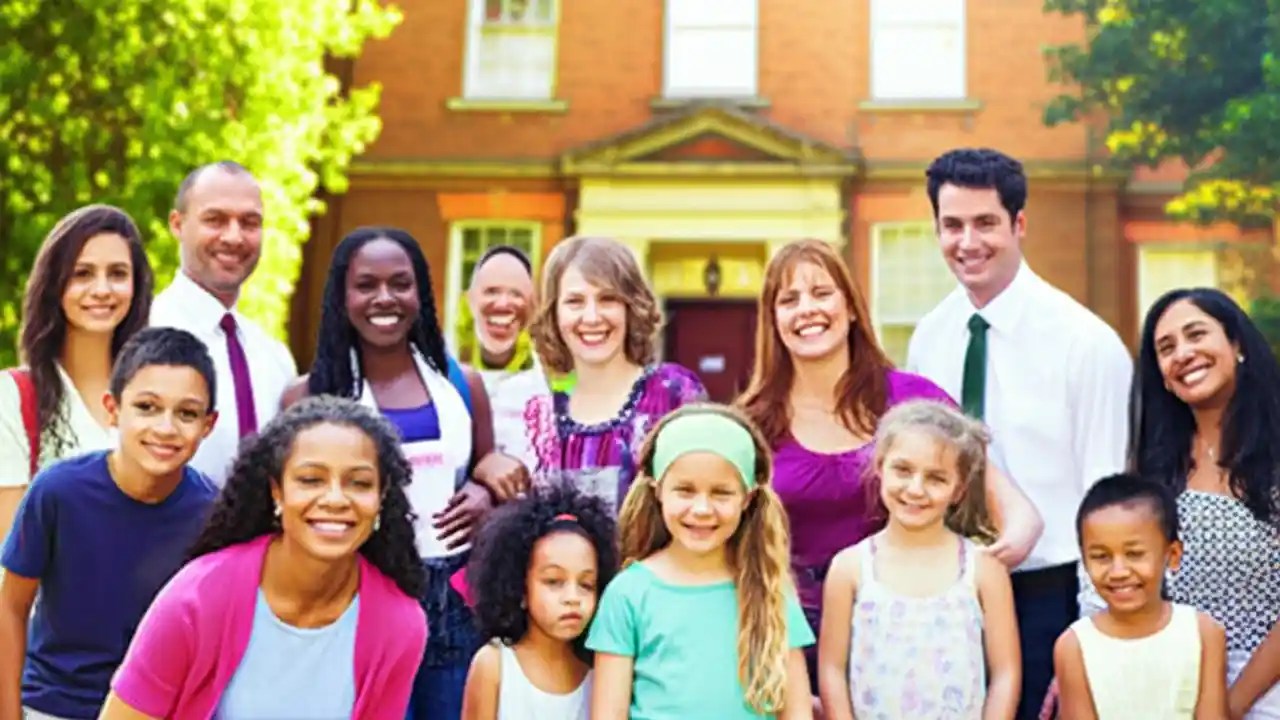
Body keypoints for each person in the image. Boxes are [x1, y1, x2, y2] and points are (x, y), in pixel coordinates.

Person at [737, 239, 1041, 698]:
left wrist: (997, 558)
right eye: (789, 299)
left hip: (904, 637)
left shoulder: (909, 399)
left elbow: (1010, 507)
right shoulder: (753, 422)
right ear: (773, 319)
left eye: (822, 292)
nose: (807, 309)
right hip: (790, 641)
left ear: (852, 307)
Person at [907, 148, 1133, 718]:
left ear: (1019, 224)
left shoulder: (1086, 344)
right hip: (948, 590)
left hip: (1049, 595)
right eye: (952, 225)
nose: (968, 242)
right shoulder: (928, 339)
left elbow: (1107, 496)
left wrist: (1090, 637)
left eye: (986, 223)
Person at [282, 226, 525, 720]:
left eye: (400, 283)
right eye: (366, 285)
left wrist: (483, 492)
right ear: (341, 296)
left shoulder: (463, 386)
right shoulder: (308, 397)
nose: (385, 298)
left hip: (454, 603)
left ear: (422, 293)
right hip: (357, 597)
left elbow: (484, 471)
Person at [100, 396, 428, 720]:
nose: (335, 499)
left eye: (359, 483)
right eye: (311, 479)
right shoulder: (198, 597)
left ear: (381, 497)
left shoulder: (399, 623)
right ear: (277, 491)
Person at [0, 327, 218, 720]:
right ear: (112, 409)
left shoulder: (213, 514)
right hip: (52, 705)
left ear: (208, 424)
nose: (165, 428)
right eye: (147, 407)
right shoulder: (58, 492)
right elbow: (10, 607)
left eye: (186, 413)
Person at [588, 404, 814, 719]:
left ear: (747, 499)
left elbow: (797, 710)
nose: (702, 509)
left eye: (721, 493)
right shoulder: (628, 593)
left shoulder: (771, 588)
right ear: (658, 492)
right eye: (685, 490)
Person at [1129, 288, 1280, 719]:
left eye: (1197, 335)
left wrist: (1228, 706)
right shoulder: (1154, 464)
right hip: (1172, 685)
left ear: (1236, 344)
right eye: (1166, 348)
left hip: (1263, 691)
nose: (1184, 353)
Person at [817, 400, 1020, 719]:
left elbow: (1006, 673)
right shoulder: (850, 568)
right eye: (903, 470)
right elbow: (831, 669)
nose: (916, 489)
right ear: (880, 467)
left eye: (936, 478)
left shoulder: (983, 569)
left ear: (959, 490)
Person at [0, 205, 154, 539]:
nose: (102, 289)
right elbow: (12, 548)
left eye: (117, 274)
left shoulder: (157, 397)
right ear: (54, 284)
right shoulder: (13, 398)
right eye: (82, 273)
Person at [525, 236, 706, 513]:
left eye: (607, 299)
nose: (592, 317)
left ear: (631, 307)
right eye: (575, 301)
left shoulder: (674, 394)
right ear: (554, 314)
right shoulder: (541, 417)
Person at [150, 160, 298, 486]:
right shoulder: (138, 335)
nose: (234, 237)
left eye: (249, 222)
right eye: (215, 220)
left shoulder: (274, 358)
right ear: (177, 224)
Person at [1053, 474, 1228, 719]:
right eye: (1101, 556)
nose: (1119, 572)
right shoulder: (1074, 646)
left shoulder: (1204, 633)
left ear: (1173, 554)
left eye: (1134, 554)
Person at [460, 484, 618, 720]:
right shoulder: (495, 664)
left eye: (586, 585)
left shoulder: (600, 669)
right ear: (519, 588)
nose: (572, 598)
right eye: (554, 581)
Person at [464, 245, 552, 471]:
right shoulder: (438, 374)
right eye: (491, 291)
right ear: (470, 299)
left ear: (532, 305)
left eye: (516, 294)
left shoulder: (554, 379)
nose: (503, 303)